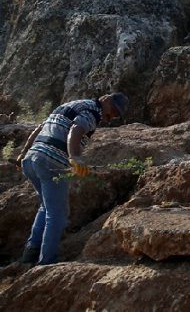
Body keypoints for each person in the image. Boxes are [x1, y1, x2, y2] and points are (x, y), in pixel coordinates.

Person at [16, 93, 129, 266]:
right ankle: (46, 262)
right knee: (58, 214)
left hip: (31, 160)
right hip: (50, 162)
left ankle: (29, 255)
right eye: (113, 110)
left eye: (116, 115)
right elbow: (76, 129)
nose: (112, 116)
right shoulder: (93, 112)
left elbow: (40, 127)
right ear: (105, 99)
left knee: (47, 207)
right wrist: (75, 157)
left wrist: (23, 153)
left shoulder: (71, 105)